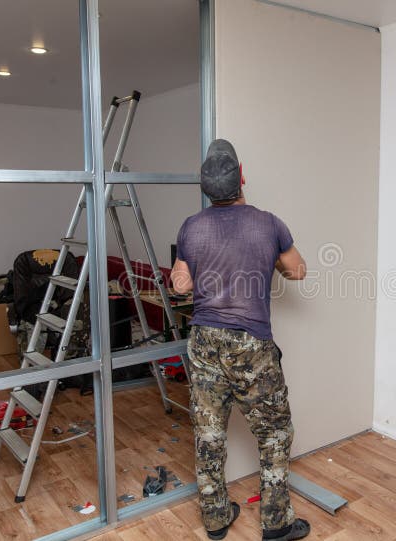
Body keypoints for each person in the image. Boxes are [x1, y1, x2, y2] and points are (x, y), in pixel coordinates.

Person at [171, 139, 310, 541]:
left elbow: (180, 285)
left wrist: (199, 273)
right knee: (274, 432)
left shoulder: (191, 227)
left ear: (206, 189)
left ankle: (215, 520)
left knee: (209, 432)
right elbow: (298, 271)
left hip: (204, 340)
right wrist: (269, 262)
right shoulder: (268, 223)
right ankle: (276, 523)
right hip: (250, 344)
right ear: (241, 177)